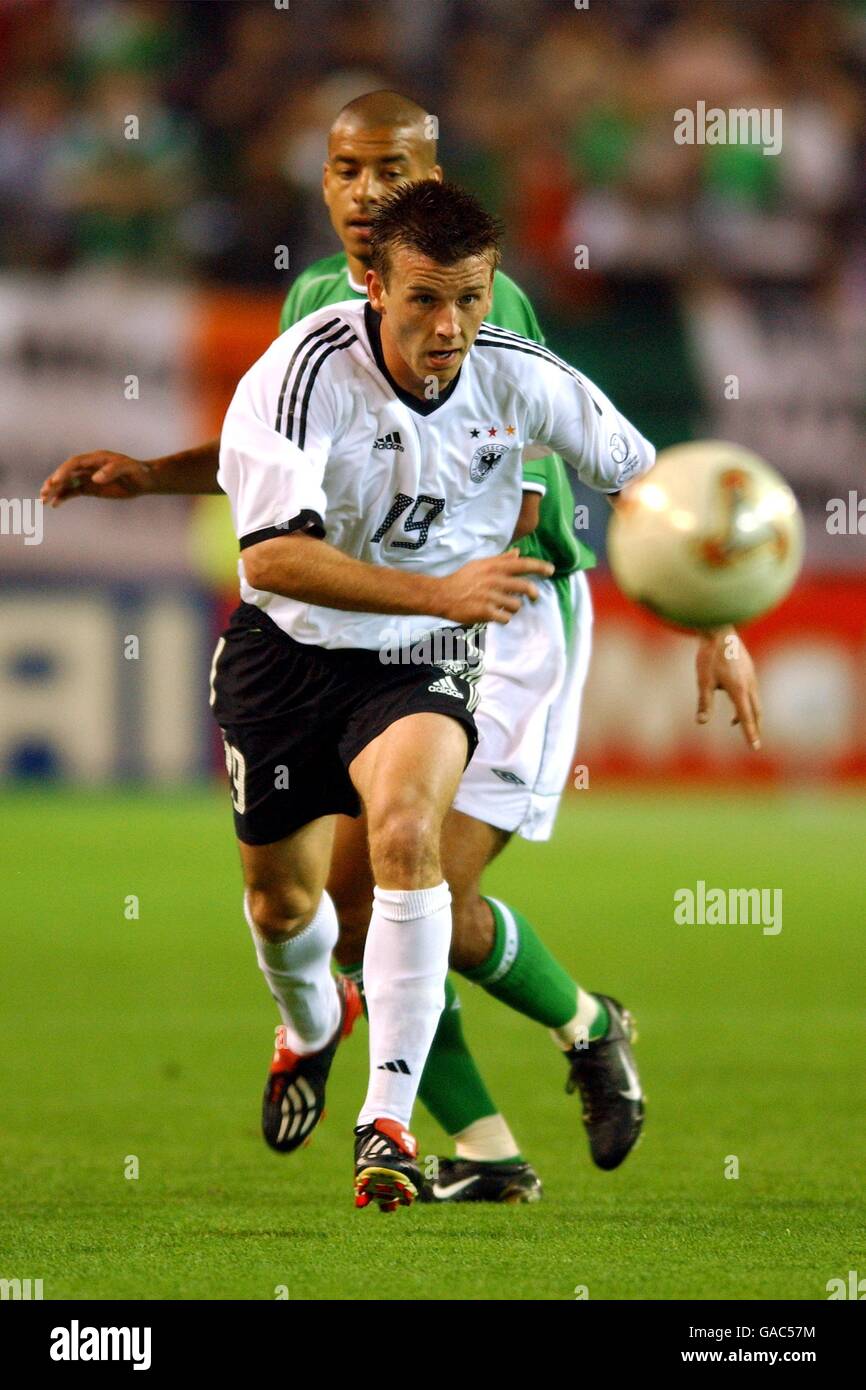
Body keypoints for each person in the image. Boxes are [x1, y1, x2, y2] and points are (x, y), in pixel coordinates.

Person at [42, 95, 761, 1208]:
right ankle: (510, 1116)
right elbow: (277, 462)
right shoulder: (313, 306)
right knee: (317, 907)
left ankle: (430, 1113)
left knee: (401, 873)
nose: (366, 195)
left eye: (390, 171)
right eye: (344, 170)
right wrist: (153, 471)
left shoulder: (479, 303)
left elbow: (557, 482)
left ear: (432, 179)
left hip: (503, 612)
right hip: (352, 611)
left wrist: (711, 615)